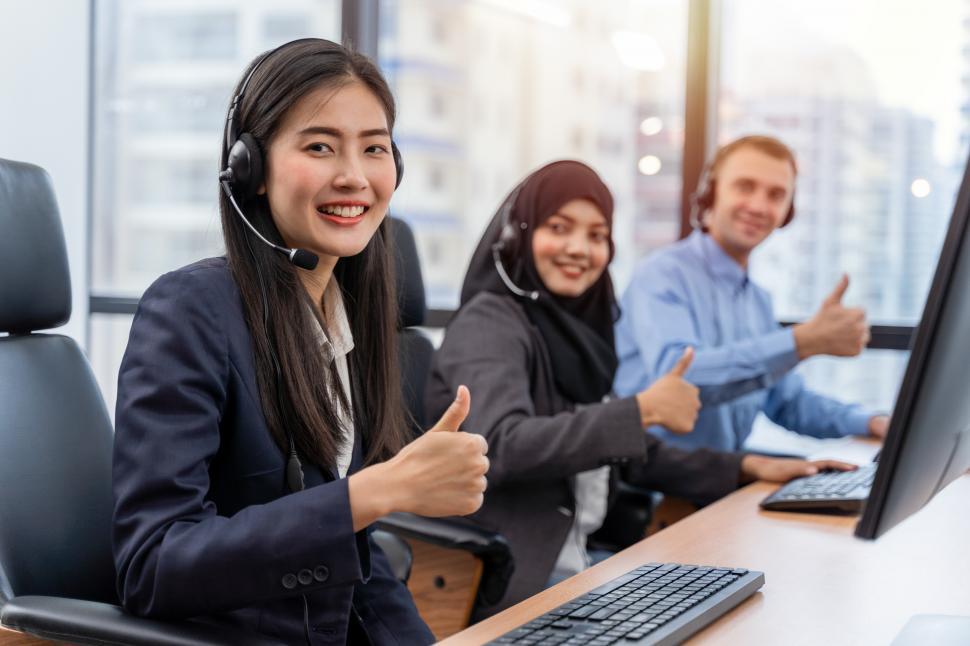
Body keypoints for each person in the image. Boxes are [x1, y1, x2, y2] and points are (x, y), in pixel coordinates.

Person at [111, 38, 488, 646]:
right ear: (250, 169)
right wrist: (372, 492)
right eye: (320, 147)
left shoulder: (346, 316)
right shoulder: (189, 311)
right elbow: (153, 564)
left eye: (374, 148)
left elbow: (360, 569)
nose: (354, 176)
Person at [424, 160, 853, 617]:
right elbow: (503, 446)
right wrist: (641, 410)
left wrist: (749, 465)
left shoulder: (576, 333)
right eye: (559, 228)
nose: (579, 248)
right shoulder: (489, 323)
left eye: (596, 236)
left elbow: (629, 455)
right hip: (510, 577)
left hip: (584, 561)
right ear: (518, 236)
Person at [614, 135, 890, 453]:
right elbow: (679, 380)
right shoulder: (662, 274)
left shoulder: (757, 301)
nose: (759, 206)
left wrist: (870, 421)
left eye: (776, 195)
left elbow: (787, 401)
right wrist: (801, 342)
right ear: (711, 193)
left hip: (724, 473)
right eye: (745, 187)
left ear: (787, 211)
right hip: (656, 478)